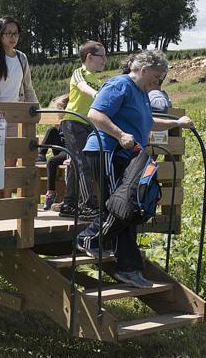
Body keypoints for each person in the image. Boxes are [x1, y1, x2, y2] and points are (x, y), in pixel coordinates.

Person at [77, 50, 194, 288]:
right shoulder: (120, 85)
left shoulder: (142, 94)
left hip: (124, 154)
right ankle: (89, 239)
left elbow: (149, 121)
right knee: (122, 205)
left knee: (129, 207)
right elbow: (95, 113)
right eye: (157, 76)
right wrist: (120, 134)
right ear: (144, 70)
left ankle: (128, 268)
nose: (158, 82)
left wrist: (176, 123)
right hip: (106, 151)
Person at [58, 41, 107, 219]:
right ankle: (87, 204)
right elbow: (82, 87)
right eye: (102, 56)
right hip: (73, 123)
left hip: (88, 125)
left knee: (75, 164)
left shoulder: (99, 80)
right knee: (82, 162)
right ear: (89, 57)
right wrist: (97, 95)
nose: (105, 60)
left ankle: (69, 204)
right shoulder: (80, 73)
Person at [0, 16, 38, 104]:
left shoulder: (22, 58)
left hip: (15, 113)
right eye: (9, 33)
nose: (13, 37)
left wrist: (36, 110)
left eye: (16, 33)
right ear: (0, 35)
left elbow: (28, 89)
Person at [40, 95, 70, 211]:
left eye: (59, 109)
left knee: (51, 161)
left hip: (68, 150)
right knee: (51, 130)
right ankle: (41, 154)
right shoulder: (62, 122)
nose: (57, 113)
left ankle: (51, 193)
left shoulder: (71, 121)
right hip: (61, 148)